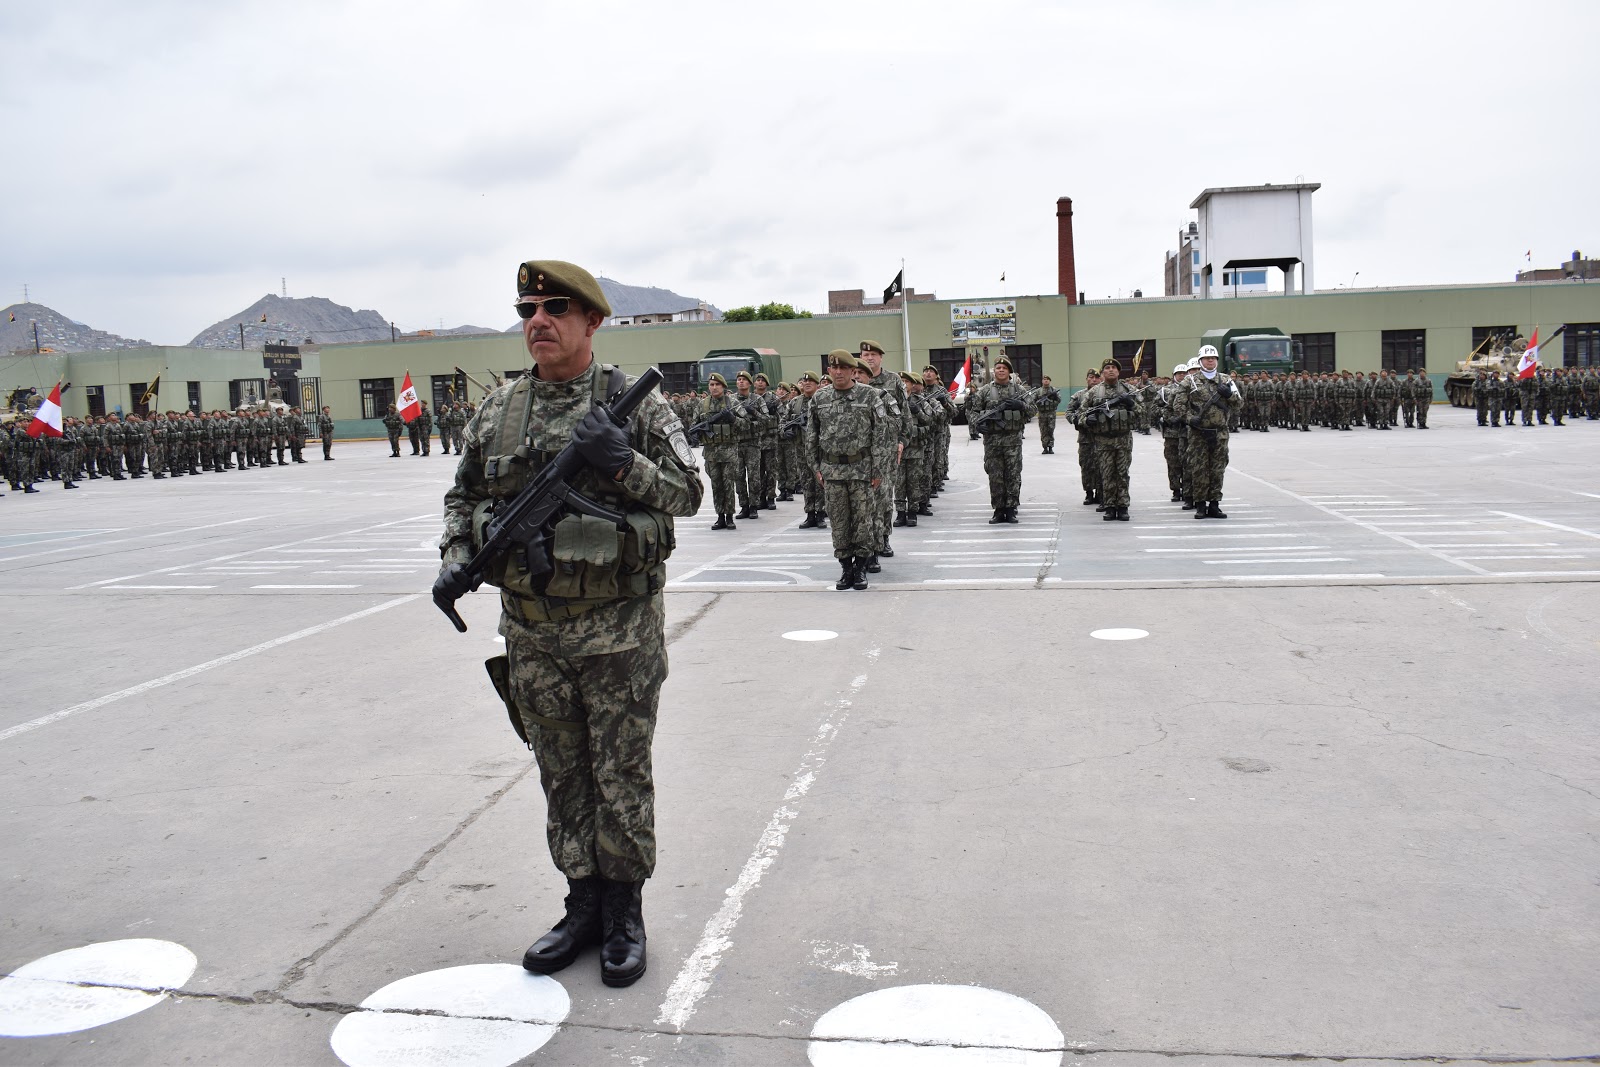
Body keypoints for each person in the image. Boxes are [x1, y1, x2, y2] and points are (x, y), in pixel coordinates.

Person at [434, 260, 701, 989]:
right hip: (532, 632)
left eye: (555, 307)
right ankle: (581, 904)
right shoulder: (498, 410)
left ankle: (623, 913)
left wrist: (625, 467)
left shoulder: (632, 404)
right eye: (528, 307)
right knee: (562, 773)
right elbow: (463, 499)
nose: (538, 320)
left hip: (619, 633)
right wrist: (457, 558)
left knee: (620, 775)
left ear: (592, 321)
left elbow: (688, 492)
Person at [805, 350, 886, 590]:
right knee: (839, 522)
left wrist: (878, 469)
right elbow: (811, 436)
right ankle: (846, 568)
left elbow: (881, 435)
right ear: (829, 371)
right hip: (831, 470)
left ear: (853, 370)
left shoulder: (870, 396)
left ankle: (860, 568)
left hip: (862, 469)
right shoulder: (819, 399)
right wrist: (815, 467)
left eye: (844, 368)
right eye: (834, 368)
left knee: (862, 521)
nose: (838, 372)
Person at [1174, 345, 1244, 519]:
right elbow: (1178, 405)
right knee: (1199, 469)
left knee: (1217, 469)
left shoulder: (1226, 380)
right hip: (1199, 433)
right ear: (1200, 361)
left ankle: (1214, 504)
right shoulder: (1189, 381)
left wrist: (1229, 395)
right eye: (1207, 358)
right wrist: (1190, 419)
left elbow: (1239, 405)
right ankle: (1200, 505)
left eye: (1213, 358)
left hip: (1219, 433)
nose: (1210, 360)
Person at [967, 354, 1035, 524]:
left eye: (1004, 368)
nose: (1001, 370)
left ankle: (1011, 509)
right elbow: (973, 411)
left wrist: (1021, 405)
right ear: (994, 371)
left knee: (1013, 475)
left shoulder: (1019, 391)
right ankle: (998, 509)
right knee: (995, 475)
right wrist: (977, 425)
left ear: (1009, 371)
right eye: (998, 368)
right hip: (992, 441)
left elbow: (1033, 409)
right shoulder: (985, 391)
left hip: (1013, 440)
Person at [1081, 356, 1142, 521]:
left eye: (1114, 367)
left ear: (1119, 371)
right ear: (1103, 372)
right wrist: (1087, 420)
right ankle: (1109, 506)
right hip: (1103, 440)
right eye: (1107, 368)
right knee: (1106, 474)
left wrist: (1131, 404)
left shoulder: (1128, 389)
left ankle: (1122, 506)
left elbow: (1143, 412)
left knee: (1122, 473)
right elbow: (1081, 413)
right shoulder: (1094, 392)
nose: (1111, 370)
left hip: (1123, 439)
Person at [696, 371, 749, 530]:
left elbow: (746, 424)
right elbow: (694, 426)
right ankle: (720, 516)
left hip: (729, 452)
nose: (714, 387)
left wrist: (732, 419)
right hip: (711, 453)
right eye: (711, 385)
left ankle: (729, 516)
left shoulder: (732, 403)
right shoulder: (702, 404)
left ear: (724, 387)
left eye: (717, 384)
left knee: (728, 484)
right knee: (716, 485)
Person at [1033, 376, 1061, 454]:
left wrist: (1052, 401)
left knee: (1050, 430)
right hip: (1042, 414)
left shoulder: (1053, 390)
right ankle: (1045, 447)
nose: (1046, 381)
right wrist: (1038, 403)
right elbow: (1033, 401)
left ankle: (1050, 447)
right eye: (1044, 379)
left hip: (1051, 413)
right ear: (1042, 381)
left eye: (1047, 379)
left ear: (1050, 381)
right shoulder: (1038, 391)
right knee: (1043, 431)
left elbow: (1059, 400)